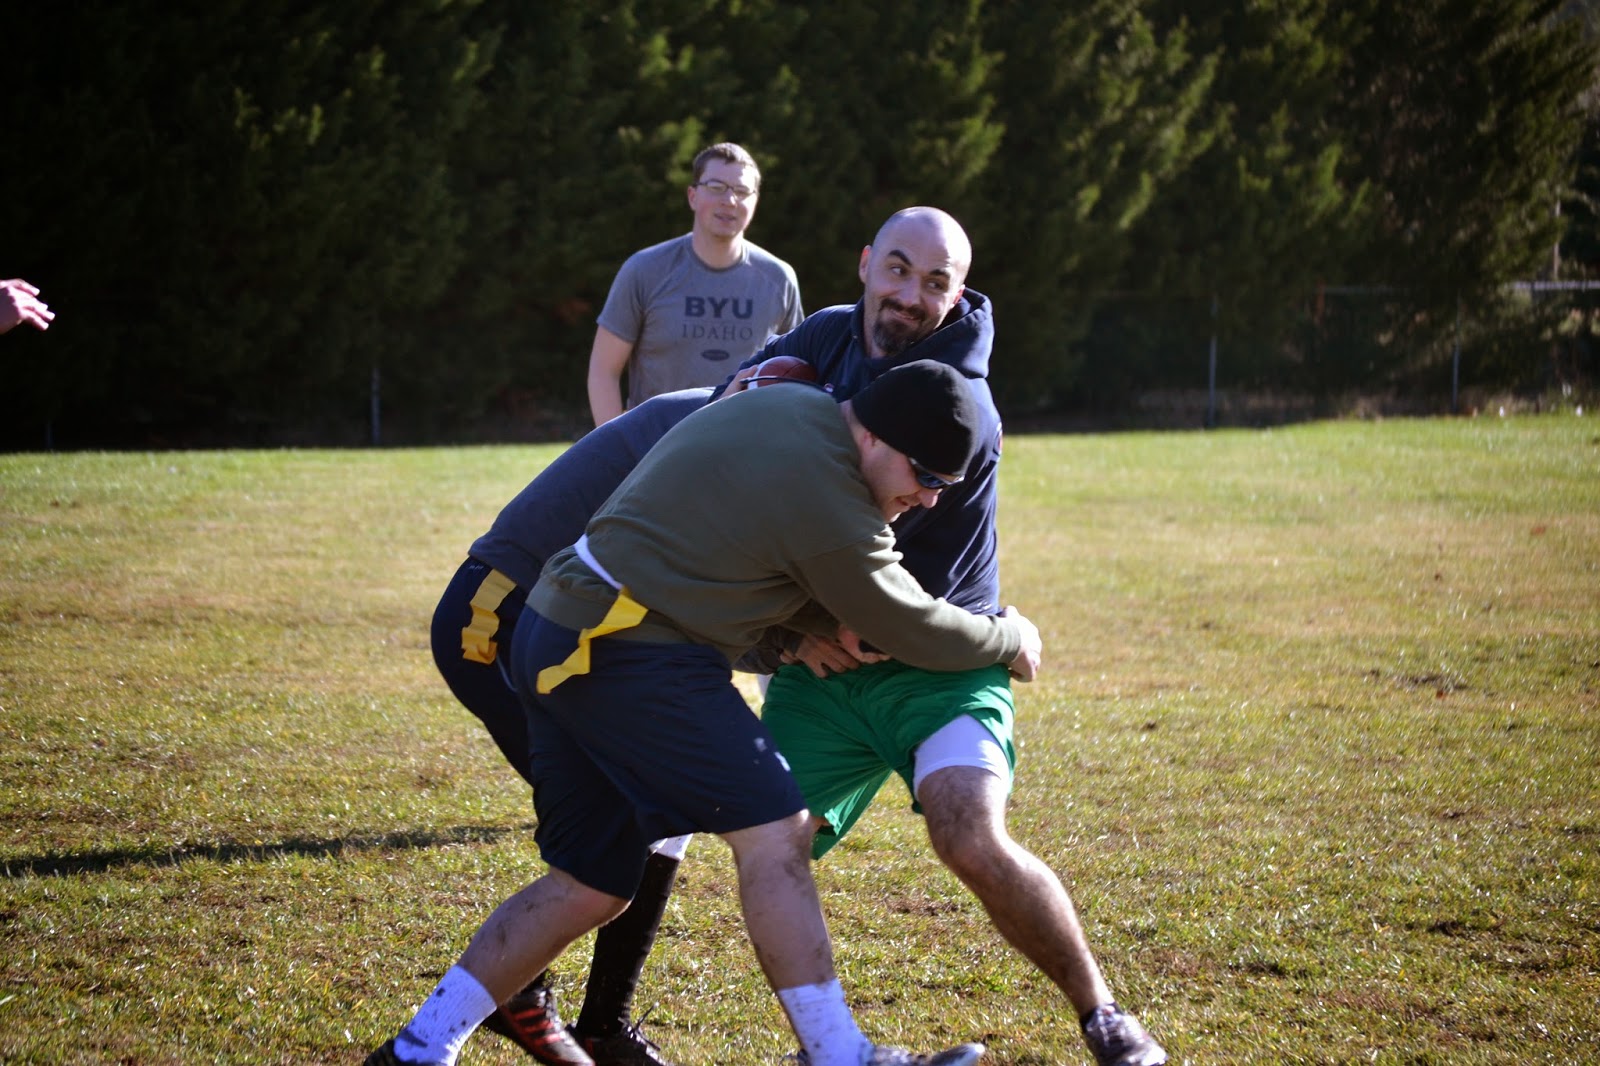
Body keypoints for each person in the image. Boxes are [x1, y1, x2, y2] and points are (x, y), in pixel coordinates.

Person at [468, 207, 1165, 1066]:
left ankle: (1103, 1017)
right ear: (867, 263)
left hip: (934, 659)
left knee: (967, 836)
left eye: (936, 282)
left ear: (956, 294)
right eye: (899, 270)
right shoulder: (827, 338)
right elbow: (729, 442)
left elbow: (899, 600)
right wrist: (787, 642)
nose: (911, 296)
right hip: (822, 665)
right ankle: (635, 1025)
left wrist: (993, 632)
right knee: (708, 825)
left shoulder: (956, 402)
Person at [367, 360, 1044, 1066]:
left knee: (591, 884)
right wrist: (1008, 638)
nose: (930, 501)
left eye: (946, 485)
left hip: (555, 626)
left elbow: (717, 542)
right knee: (777, 832)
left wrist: (807, 619)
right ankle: (841, 1056)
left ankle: (417, 1049)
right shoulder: (832, 494)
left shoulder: (789, 410)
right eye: (926, 476)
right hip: (627, 648)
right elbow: (913, 626)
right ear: (874, 436)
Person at [586, 142, 803, 426]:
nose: (729, 200)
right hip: (657, 446)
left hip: (745, 447)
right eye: (716, 187)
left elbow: (795, 374)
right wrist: (616, 448)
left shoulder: (779, 279)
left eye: (741, 191)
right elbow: (603, 370)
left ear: (755, 201)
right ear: (692, 196)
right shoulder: (645, 270)